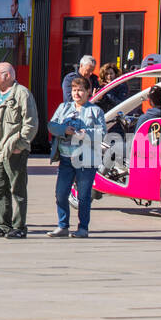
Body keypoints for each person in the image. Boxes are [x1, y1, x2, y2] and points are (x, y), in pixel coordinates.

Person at [46, 76, 106, 238]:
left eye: (80, 90)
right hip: (66, 159)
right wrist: (64, 129)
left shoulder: (96, 111)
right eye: (74, 90)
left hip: (86, 160)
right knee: (60, 193)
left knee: (84, 196)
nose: (76, 94)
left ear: (88, 92)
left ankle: (83, 228)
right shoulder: (63, 108)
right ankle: (63, 226)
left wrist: (86, 133)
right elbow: (51, 125)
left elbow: (102, 133)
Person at [0, 61, 39, 239]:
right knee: (0, 189)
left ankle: (19, 226)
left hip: (13, 150)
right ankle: (4, 225)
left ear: (7, 75)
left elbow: (31, 123)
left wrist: (20, 146)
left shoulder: (22, 94)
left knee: (17, 189)